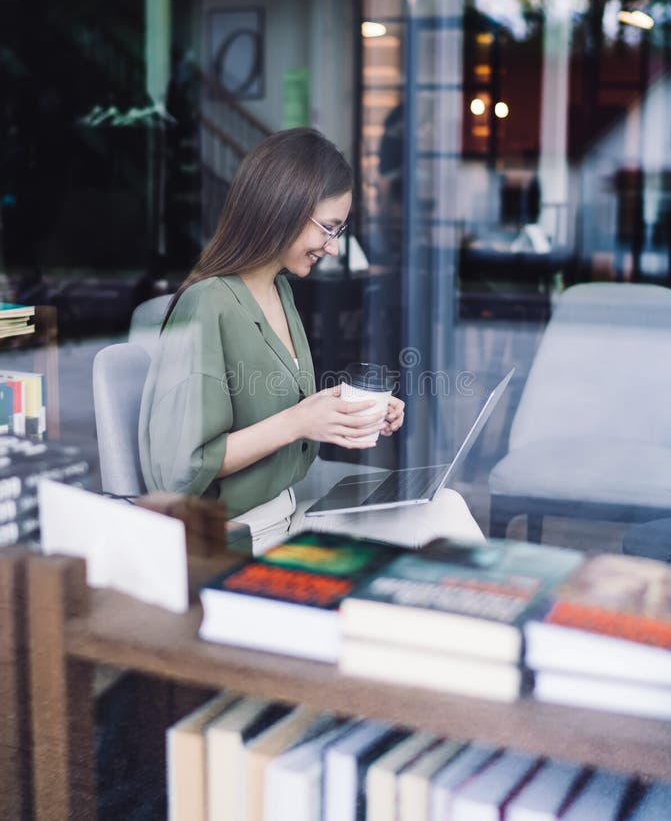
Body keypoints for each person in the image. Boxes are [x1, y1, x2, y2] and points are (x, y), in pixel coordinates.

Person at [139, 127, 483, 553]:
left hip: (293, 513)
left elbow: (285, 414)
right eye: (329, 228)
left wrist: (348, 412)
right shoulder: (207, 304)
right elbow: (176, 471)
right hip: (243, 538)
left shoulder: (280, 291)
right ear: (282, 208)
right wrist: (300, 421)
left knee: (443, 508)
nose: (333, 248)